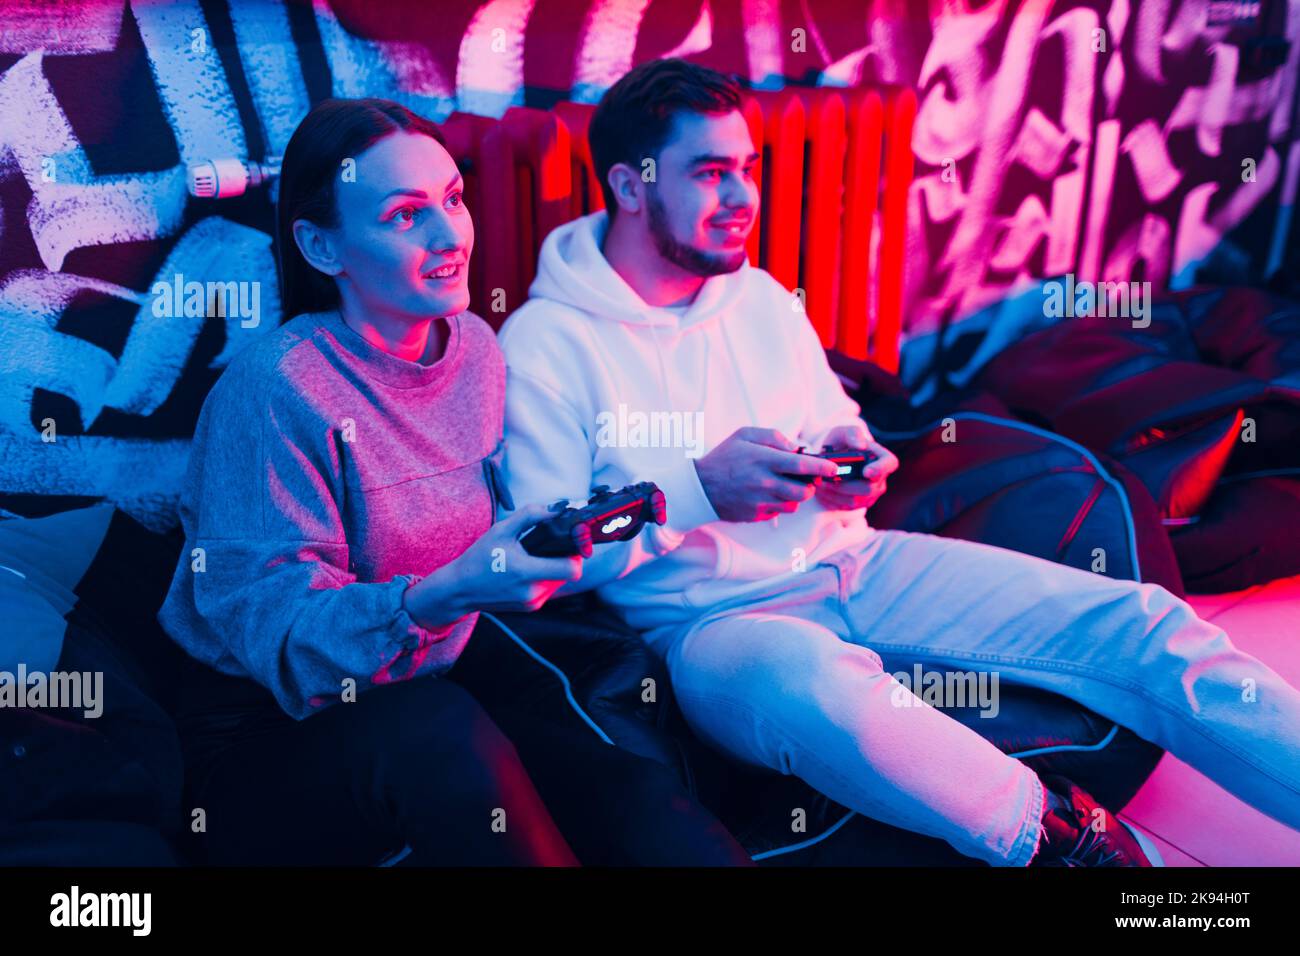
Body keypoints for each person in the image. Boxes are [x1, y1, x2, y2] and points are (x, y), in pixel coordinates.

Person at [498, 58, 1300, 867]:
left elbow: (835, 421)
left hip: (861, 561)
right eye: (711, 174)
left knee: (1146, 622)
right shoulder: (542, 345)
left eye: (747, 170)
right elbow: (548, 559)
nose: (743, 198)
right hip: (710, 627)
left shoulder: (762, 298)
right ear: (630, 188)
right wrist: (699, 490)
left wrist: (858, 458)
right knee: (803, 679)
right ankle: (1064, 843)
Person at [158, 97, 751, 867]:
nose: (449, 237)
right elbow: (289, 651)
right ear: (320, 245)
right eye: (405, 216)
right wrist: (445, 593)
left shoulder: (473, 348)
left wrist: (533, 550)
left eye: (452, 199)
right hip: (271, 734)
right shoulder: (275, 392)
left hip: (432, 672)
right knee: (437, 729)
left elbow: (481, 533)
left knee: (623, 788)